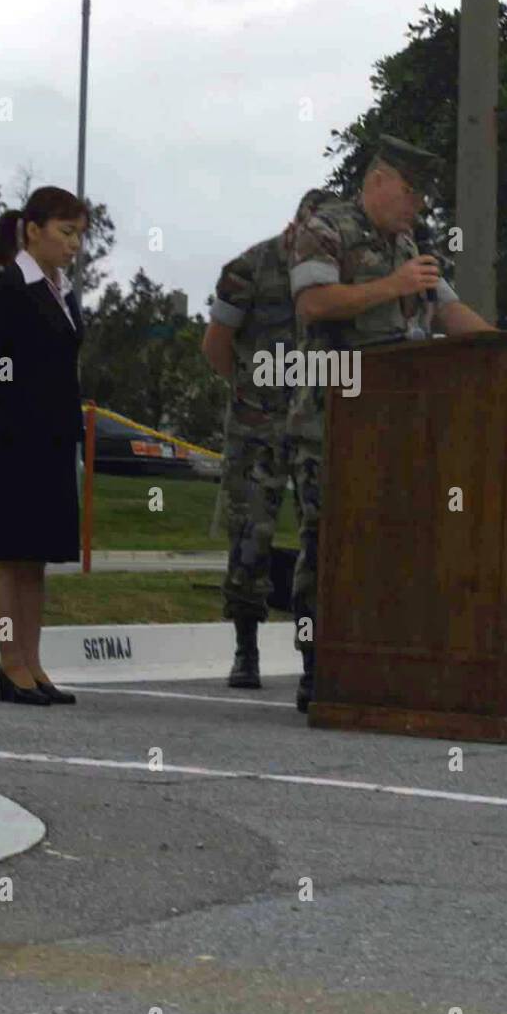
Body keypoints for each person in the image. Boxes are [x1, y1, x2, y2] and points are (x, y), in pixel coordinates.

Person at [286, 135, 495, 712]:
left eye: (423, 197)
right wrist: (392, 287)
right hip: (333, 423)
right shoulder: (324, 228)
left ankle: (381, 663)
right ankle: (318, 667)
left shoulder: (411, 245)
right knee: (328, 544)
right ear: (377, 181)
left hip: (403, 427)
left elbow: (450, 312)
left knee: (397, 545)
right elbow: (314, 304)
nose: (418, 207)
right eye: (410, 192)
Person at [202, 189, 327, 688]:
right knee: (249, 538)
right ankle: (245, 648)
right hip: (257, 427)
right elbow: (215, 346)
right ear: (294, 225)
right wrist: (252, 392)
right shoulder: (249, 268)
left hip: (314, 428)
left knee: (318, 541)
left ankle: (313, 662)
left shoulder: (332, 275)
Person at [0, 187, 89, 706]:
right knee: (8, 554)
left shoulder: (60, 292)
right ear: (34, 231)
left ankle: (33, 663)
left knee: (36, 557)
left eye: (80, 235)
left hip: (55, 439)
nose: (74, 245)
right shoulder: (7, 291)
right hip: (18, 438)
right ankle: (9, 664)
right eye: (66, 233)